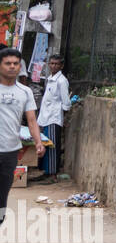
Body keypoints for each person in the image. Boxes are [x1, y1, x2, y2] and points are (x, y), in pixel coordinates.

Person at [1, 47, 44, 226]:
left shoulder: (25, 92)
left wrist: (39, 142)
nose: (12, 67)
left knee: (2, 195)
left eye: (15, 64)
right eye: (7, 63)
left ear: (20, 67)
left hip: (10, 152)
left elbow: (31, 120)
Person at [33, 53, 70, 183]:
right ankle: (46, 171)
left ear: (61, 66)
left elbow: (66, 102)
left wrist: (63, 117)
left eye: (56, 64)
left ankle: (53, 175)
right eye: (52, 63)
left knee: (53, 146)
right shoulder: (49, 79)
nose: (54, 66)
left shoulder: (62, 81)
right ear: (49, 65)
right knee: (46, 145)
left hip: (54, 117)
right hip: (46, 116)